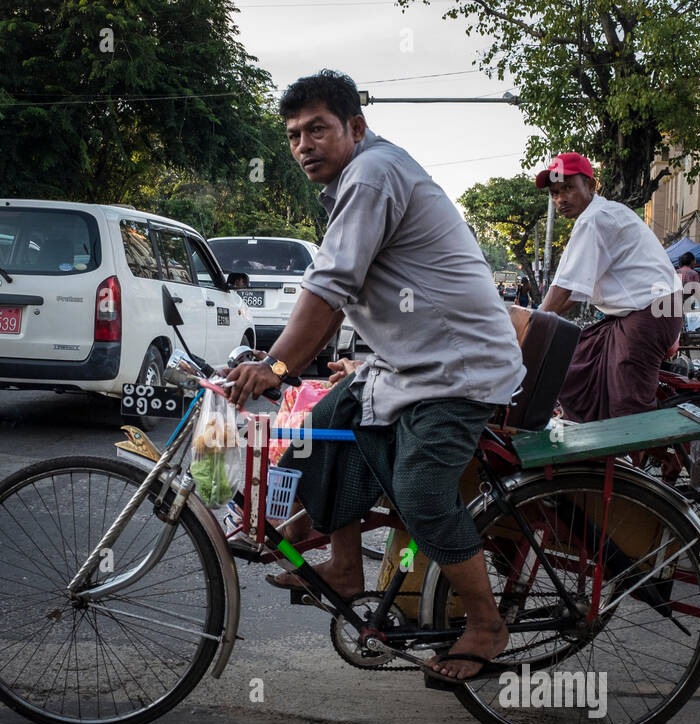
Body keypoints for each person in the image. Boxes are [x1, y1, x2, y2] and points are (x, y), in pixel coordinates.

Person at [225, 69, 525, 683]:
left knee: (420, 493)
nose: (304, 144)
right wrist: (326, 362)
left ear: (354, 128)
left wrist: (275, 364)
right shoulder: (349, 183)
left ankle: (487, 626)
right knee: (329, 421)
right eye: (293, 135)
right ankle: (343, 566)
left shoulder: (371, 173)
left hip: (459, 370)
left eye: (318, 129)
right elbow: (349, 292)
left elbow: (330, 286)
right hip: (410, 366)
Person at [536, 153, 682, 421]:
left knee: (627, 404)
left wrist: (531, 332)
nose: (560, 199)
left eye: (568, 188)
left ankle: (633, 457)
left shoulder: (594, 219)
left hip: (650, 314)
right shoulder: (600, 214)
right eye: (554, 193)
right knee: (577, 361)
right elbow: (571, 294)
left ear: (591, 186)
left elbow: (563, 291)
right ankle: (590, 443)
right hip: (641, 312)